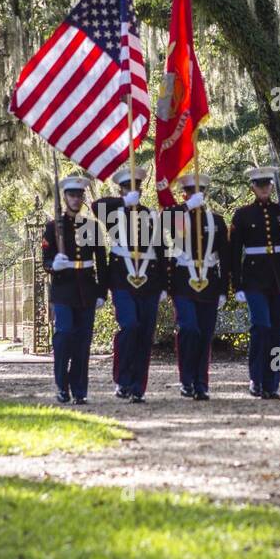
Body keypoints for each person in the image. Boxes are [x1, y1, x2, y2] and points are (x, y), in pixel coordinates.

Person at [229, 165, 280, 399]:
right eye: (260, 185)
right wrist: (236, 285)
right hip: (254, 280)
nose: (265, 189)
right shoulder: (242, 215)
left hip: (279, 279)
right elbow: (234, 253)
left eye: (268, 184)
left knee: (278, 335)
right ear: (253, 187)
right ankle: (256, 378)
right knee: (261, 326)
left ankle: (274, 382)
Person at [97, 166, 164, 403]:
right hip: (122, 281)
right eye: (127, 187)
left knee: (145, 334)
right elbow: (97, 206)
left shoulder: (149, 214)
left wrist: (164, 284)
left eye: (136, 187)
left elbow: (160, 248)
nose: (132, 191)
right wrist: (124, 202)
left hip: (150, 282)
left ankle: (138, 387)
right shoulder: (114, 212)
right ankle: (122, 380)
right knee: (130, 326)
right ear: (121, 189)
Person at [42, 175, 106, 404]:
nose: (76, 199)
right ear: (65, 197)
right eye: (72, 195)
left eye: (79, 195)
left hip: (86, 291)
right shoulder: (52, 227)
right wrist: (54, 265)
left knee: (82, 341)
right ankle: (61, 385)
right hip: (63, 290)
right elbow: (45, 261)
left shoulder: (92, 226)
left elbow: (102, 261)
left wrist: (101, 292)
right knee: (64, 335)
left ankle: (79, 389)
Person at [165, 173, 228, 400]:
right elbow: (164, 221)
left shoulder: (217, 221)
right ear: (185, 194)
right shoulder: (179, 217)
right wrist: (185, 207)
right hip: (183, 281)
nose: (196, 195)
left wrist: (224, 289)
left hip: (210, 282)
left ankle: (201, 382)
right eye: (191, 192)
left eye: (200, 192)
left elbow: (226, 258)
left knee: (205, 334)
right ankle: (186, 379)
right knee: (189, 329)